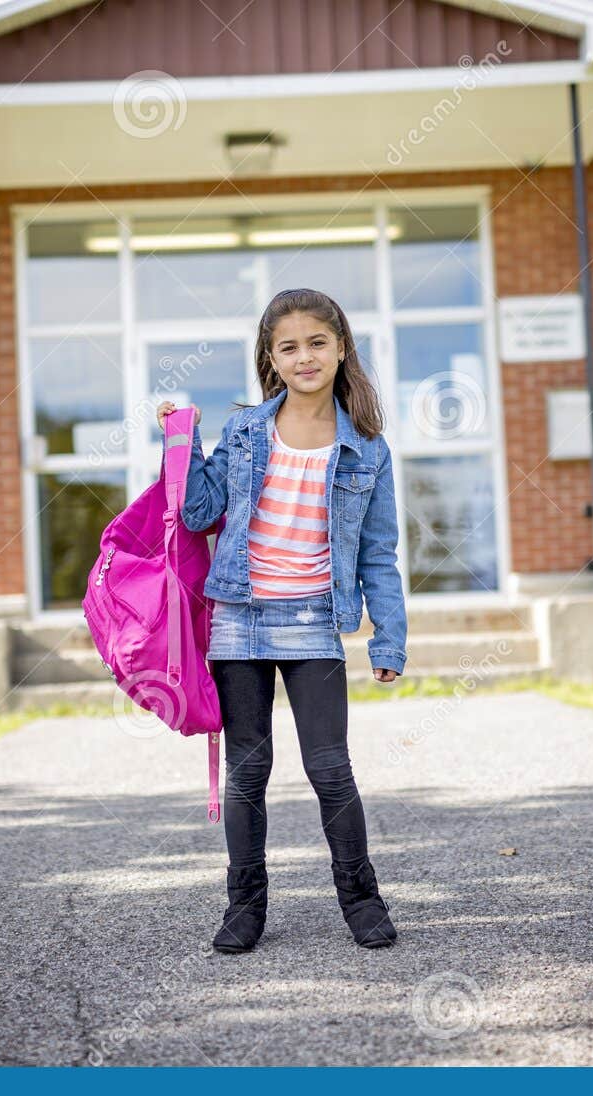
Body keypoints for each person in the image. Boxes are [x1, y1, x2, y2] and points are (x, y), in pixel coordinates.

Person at [155, 287, 409, 953]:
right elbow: (197, 512)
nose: (305, 357)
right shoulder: (244, 430)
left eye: (317, 343)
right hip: (238, 618)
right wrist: (181, 442)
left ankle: (361, 898)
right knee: (248, 768)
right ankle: (244, 905)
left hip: (315, 620)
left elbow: (379, 553)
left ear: (341, 348)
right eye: (289, 346)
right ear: (271, 357)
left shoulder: (368, 449)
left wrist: (390, 633)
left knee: (330, 767)